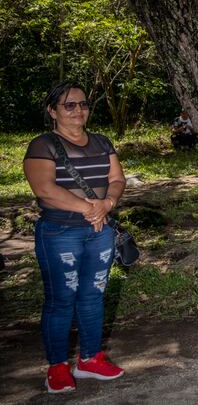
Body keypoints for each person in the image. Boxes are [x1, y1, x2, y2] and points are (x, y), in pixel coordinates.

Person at [23, 83, 126, 393]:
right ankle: (57, 367)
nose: (78, 110)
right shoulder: (43, 145)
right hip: (59, 232)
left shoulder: (102, 142)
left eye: (82, 104)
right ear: (52, 111)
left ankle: (90, 359)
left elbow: (117, 179)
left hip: (98, 232)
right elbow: (44, 190)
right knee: (61, 299)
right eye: (69, 105)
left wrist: (107, 205)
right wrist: (90, 209)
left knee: (93, 294)